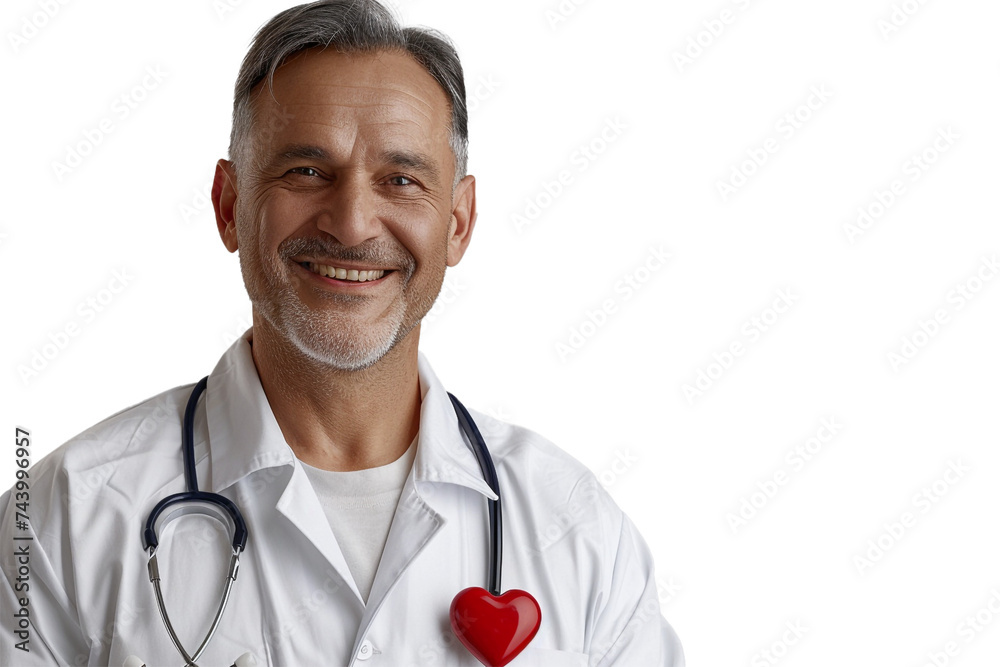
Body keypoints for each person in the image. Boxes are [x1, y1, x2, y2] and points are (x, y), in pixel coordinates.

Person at [0, 1, 685, 665]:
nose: (352, 222)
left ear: (458, 223)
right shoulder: (61, 521)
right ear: (230, 204)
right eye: (307, 171)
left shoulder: (577, 528)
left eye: (401, 178)